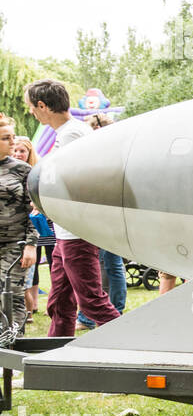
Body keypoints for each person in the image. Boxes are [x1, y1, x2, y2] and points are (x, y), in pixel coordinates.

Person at [23, 80, 121, 336]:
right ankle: (56, 350)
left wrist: (40, 196)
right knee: (60, 300)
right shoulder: (68, 132)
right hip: (66, 232)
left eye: (32, 107)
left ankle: (132, 346)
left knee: (91, 300)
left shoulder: (71, 134)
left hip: (77, 233)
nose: (31, 112)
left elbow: (71, 181)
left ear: (42, 106)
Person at [76, 112, 127, 327]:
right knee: (107, 264)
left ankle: (101, 314)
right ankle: (107, 312)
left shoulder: (110, 157)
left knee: (107, 264)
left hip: (106, 217)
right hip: (105, 216)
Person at [0, 122, 38, 336]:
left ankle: (14, 346)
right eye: (6, 138)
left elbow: (34, 211)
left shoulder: (22, 170)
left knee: (12, 293)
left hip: (15, 244)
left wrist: (31, 245)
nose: (13, 142)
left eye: (12, 136)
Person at [11, 136, 51, 315]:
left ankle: (48, 300)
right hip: (22, 226)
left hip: (42, 223)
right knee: (30, 267)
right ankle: (33, 303)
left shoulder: (35, 172)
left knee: (51, 261)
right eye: (16, 150)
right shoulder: (9, 171)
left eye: (22, 151)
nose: (18, 154)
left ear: (29, 153)